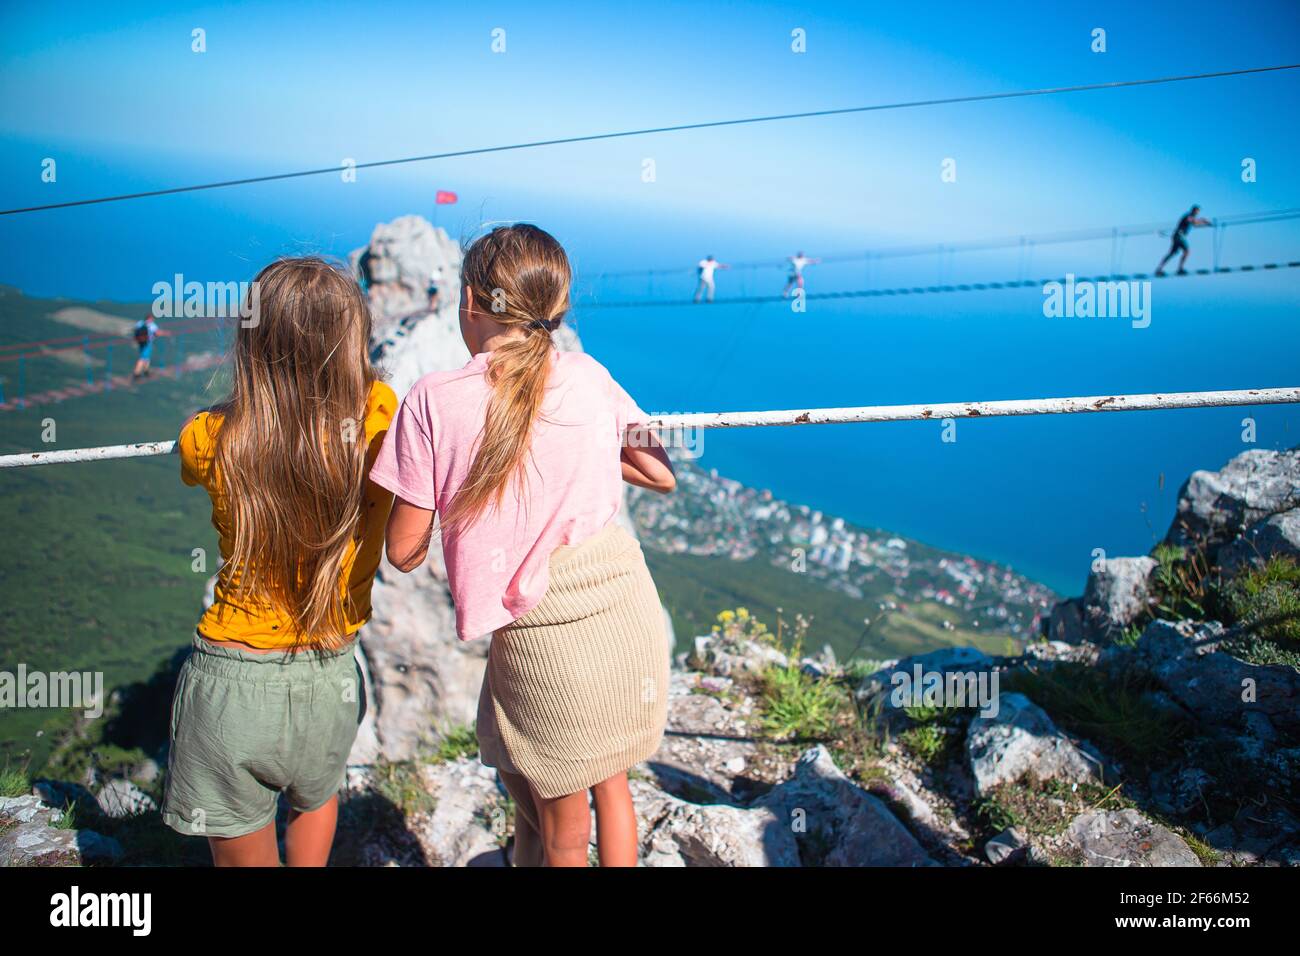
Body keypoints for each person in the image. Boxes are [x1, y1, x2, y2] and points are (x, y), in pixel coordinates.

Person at [372, 224, 676, 867]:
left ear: (473, 302)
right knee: (608, 779)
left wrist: (422, 479)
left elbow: (403, 553)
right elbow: (660, 472)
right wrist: (579, 450)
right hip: (625, 610)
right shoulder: (588, 378)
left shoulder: (433, 401)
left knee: (561, 816)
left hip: (545, 636)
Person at [162, 257, 396, 867]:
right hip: (331, 674)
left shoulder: (209, 437)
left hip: (232, 689)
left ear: (251, 340)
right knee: (317, 799)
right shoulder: (379, 414)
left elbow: (193, 461)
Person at [1155, 205, 1211, 276]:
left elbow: (1195, 224)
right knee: (1186, 251)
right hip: (1180, 237)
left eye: (1198, 211)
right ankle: (1179, 269)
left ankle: (1159, 269)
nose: (1197, 213)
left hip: (1177, 236)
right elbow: (1194, 223)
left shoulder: (1190, 217)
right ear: (1193, 210)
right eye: (1196, 211)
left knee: (1172, 253)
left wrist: (1205, 223)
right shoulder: (1188, 216)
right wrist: (1203, 221)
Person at [131, 314, 163, 379]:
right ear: (151, 319)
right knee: (143, 358)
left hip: (140, 342)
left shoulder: (140, 323)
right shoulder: (152, 325)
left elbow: (135, 330)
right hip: (147, 342)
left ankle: (146, 371)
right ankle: (137, 373)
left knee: (146, 357)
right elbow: (157, 333)